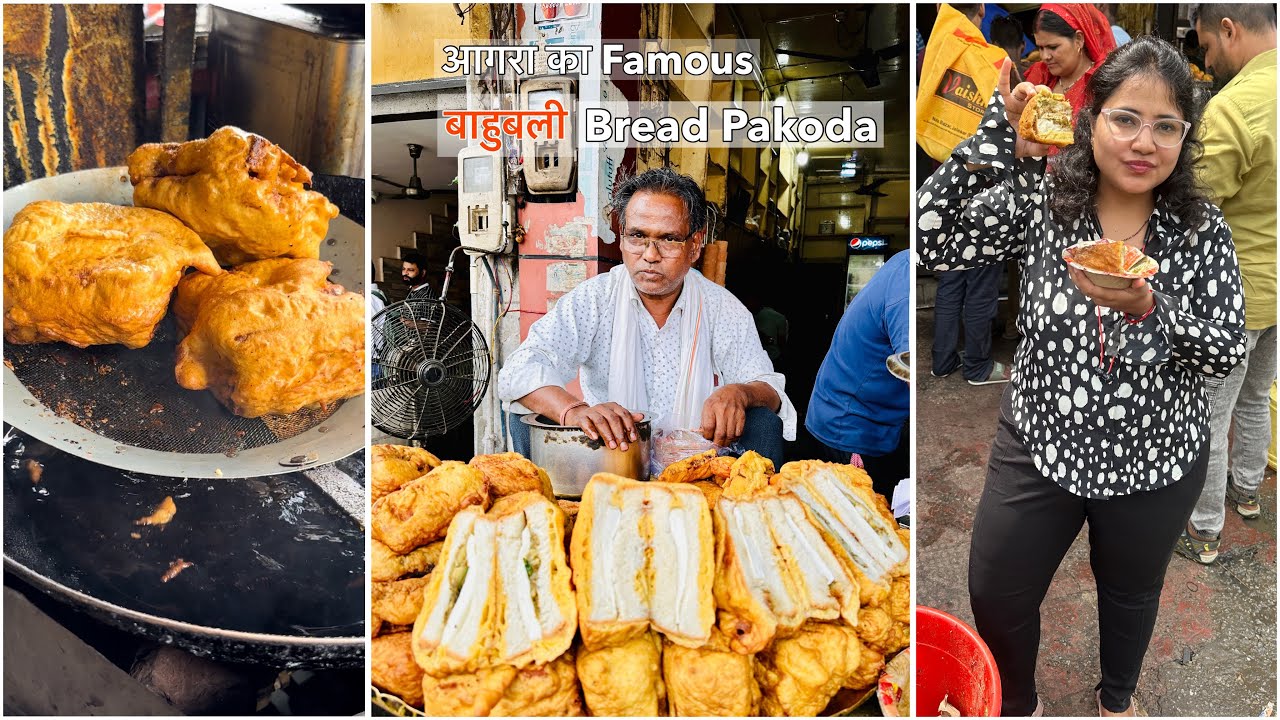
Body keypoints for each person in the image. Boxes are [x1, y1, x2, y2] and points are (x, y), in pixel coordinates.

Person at [918, 37, 1246, 717]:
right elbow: (933, 238)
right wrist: (1000, 140)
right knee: (996, 588)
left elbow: (1222, 350)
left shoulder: (1198, 227)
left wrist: (1153, 307)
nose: (1143, 142)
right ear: (1091, 116)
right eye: (1125, 118)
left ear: (1186, 139)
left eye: (1166, 127)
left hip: (1154, 456)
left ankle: (1117, 702)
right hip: (1040, 442)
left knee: (1130, 593)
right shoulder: (1046, 202)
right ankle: (1021, 704)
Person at [496, 167, 795, 467]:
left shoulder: (721, 308)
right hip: (609, 454)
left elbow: (771, 389)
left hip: (697, 459)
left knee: (764, 423)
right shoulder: (595, 299)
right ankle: (550, 506)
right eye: (638, 236)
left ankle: (749, 505)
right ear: (623, 239)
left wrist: (740, 392)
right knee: (525, 415)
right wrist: (573, 410)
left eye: (668, 239)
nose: (650, 254)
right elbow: (520, 369)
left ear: (694, 246)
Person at [1177, 3, 1277, 565]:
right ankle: (1247, 493)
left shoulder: (1235, 107)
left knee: (1211, 413)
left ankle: (1205, 526)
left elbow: (1198, 205)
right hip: (1277, 289)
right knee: (1257, 395)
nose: (1207, 60)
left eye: (1207, 47)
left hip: (1235, 291)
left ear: (1230, 30)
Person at [928, 2, 1010, 386]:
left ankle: (942, 361)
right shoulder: (993, 61)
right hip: (984, 187)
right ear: (980, 9)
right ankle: (977, 366)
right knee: (981, 280)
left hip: (943, 183)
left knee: (951, 279)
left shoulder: (933, 51)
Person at [807, 250, 909, 499]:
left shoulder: (903, 264)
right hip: (852, 429)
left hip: (862, 418)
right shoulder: (906, 276)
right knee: (859, 523)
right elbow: (911, 368)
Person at [1026, 4, 1117, 122]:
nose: (1045, 56)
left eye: (1053, 47)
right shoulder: (1041, 77)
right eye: (1041, 48)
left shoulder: (1101, 84)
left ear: (1079, 40)